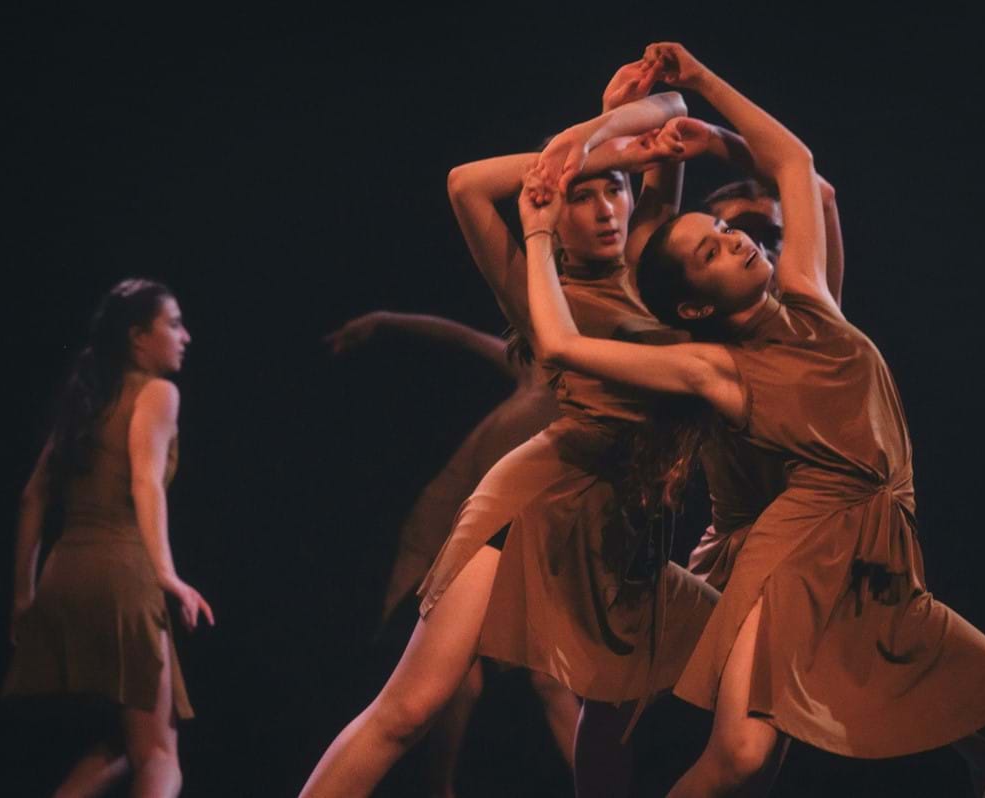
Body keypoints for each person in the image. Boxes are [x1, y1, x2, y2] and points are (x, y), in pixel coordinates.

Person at [522, 42, 985, 797]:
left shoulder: (808, 294)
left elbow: (796, 165)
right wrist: (539, 229)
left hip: (881, 575)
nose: (738, 238)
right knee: (743, 757)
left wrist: (703, 87)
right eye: (712, 251)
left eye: (727, 232)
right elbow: (558, 342)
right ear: (695, 305)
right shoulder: (716, 369)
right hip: (795, 568)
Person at [299, 83, 719, 798]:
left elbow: (675, 108)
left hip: (614, 526)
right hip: (525, 510)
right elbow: (465, 184)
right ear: (555, 208)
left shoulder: (651, 260)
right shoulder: (537, 283)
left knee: (600, 711)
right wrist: (589, 155)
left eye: (614, 190)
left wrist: (596, 139)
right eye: (582, 197)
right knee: (408, 711)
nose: (605, 209)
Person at [324, 310, 575, 793]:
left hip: (514, 542)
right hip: (446, 533)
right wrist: (384, 320)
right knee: (453, 686)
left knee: (549, 681)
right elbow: (459, 335)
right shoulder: (542, 369)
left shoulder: (604, 394)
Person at [4, 278, 213, 798]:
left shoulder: (86, 401)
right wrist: (167, 574)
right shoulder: (158, 393)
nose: (186, 336)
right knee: (161, 756)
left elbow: (32, 497)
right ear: (139, 337)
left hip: (64, 576)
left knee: (123, 741)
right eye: (174, 324)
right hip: (123, 576)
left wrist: (24, 595)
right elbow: (145, 481)